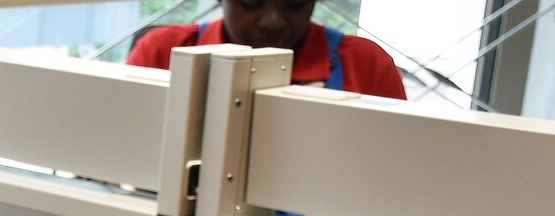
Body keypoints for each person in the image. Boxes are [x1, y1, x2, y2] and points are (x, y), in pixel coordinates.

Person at [128, 0, 407, 99]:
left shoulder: (366, 65)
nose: (273, 21)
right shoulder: (161, 53)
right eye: (251, 1)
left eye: (295, 2)